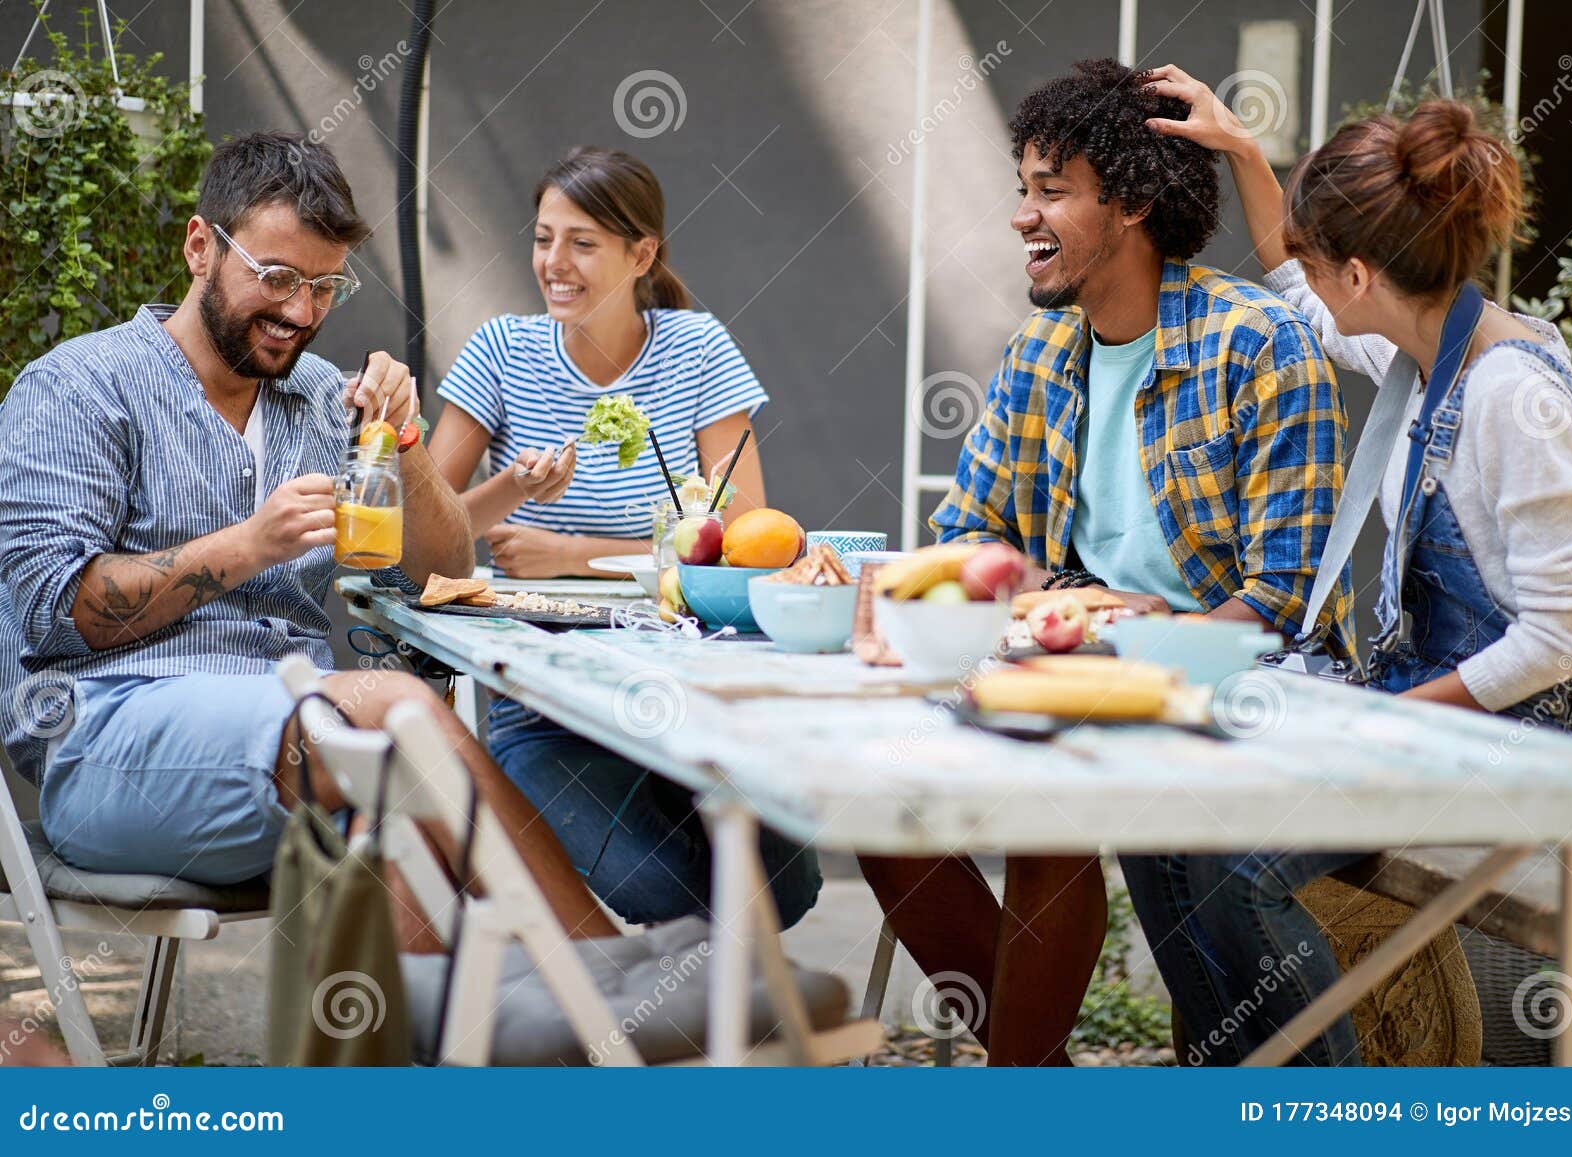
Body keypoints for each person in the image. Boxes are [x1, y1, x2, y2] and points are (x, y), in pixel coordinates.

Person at [858, 58, 1355, 1065]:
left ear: (1128, 201)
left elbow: (1285, 603)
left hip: (1241, 695)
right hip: (1073, 673)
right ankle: (1038, 1080)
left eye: (1050, 190)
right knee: (875, 801)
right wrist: (1067, 597)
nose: (1021, 217)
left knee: (1046, 811)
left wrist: (1131, 630)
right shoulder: (1041, 355)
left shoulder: (1258, 345)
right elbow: (965, 533)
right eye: (1021, 190)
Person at [0, 132, 616, 944]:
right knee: (393, 710)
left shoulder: (325, 400)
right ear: (200, 247)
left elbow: (442, 570)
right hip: (114, 747)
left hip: (304, 747)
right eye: (278, 277)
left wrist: (404, 440)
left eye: (324, 287)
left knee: (394, 847)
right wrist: (249, 544)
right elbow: (52, 610)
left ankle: (472, 1063)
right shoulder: (78, 387)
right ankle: (614, 991)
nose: (301, 313)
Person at [1121, 65, 1572, 1066]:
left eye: (1320, 260)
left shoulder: (1512, 396)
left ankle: (1334, 1100)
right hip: (1441, 719)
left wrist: (1394, 714)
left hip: (1534, 747)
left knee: (1239, 862)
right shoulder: (1418, 360)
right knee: (1157, 812)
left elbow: (1569, 635)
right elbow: (1292, 278)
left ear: (1361, 276)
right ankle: (1235, 1079)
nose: (1303, 281)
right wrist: (1244, 150)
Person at [428, 147, 822, 929]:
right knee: (669, 888)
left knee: (783, 886)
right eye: (544, 238)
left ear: (641, 253)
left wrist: (570, 555)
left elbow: (750, 549)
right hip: (543, 711)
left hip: (685, 692)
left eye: (582, 242)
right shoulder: (503, 352)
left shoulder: (698, 350)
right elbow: (425, 538)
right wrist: (513, 491)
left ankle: (715, 1028)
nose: (554, 263)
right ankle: (685, 1026)